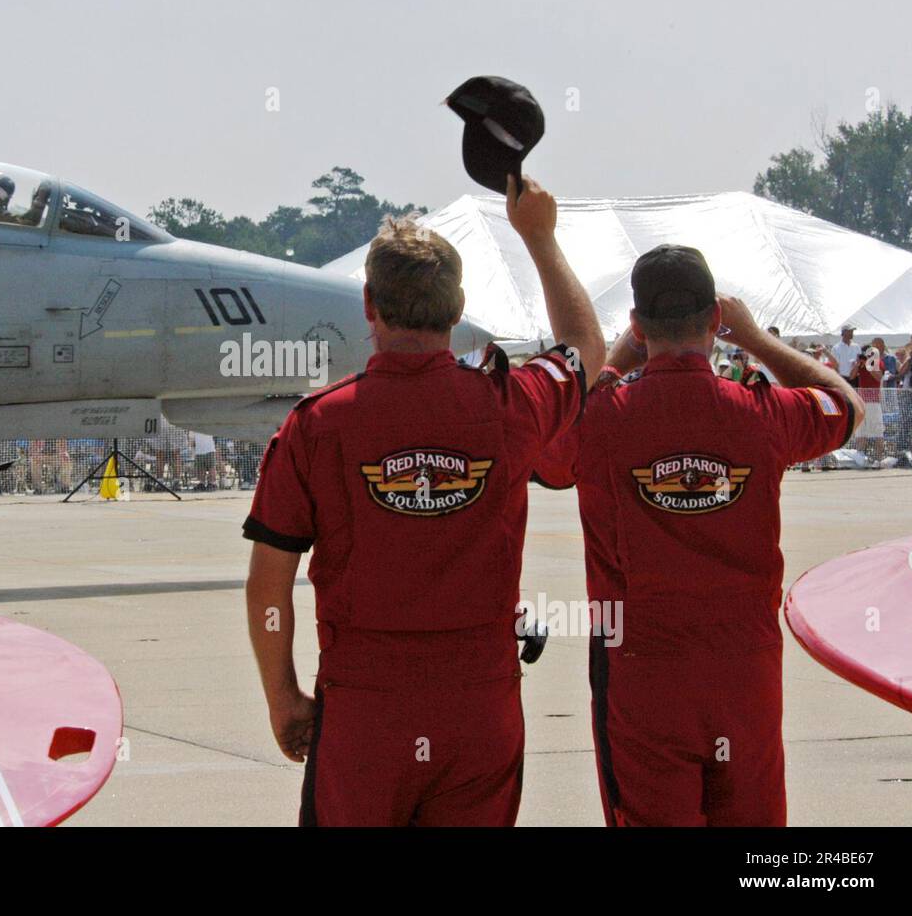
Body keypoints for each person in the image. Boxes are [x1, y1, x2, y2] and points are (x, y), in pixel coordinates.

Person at [242, 175, 603, 827]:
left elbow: (269, 582)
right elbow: (586, 348)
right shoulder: (512, 404)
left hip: (365, 711)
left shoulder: (318, 425)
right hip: (479, 708)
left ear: (368, 305)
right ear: (459, 304)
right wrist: (541, 240)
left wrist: (283, 699)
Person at [533, 247, 863, 827]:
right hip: (744, 665)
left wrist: (616, 357)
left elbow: (552, 458)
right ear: (716, 321)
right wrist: (757, 340)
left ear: (637, 324)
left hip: (641, 667)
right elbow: (847, 405)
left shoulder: (603, 418)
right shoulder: (763, 414)